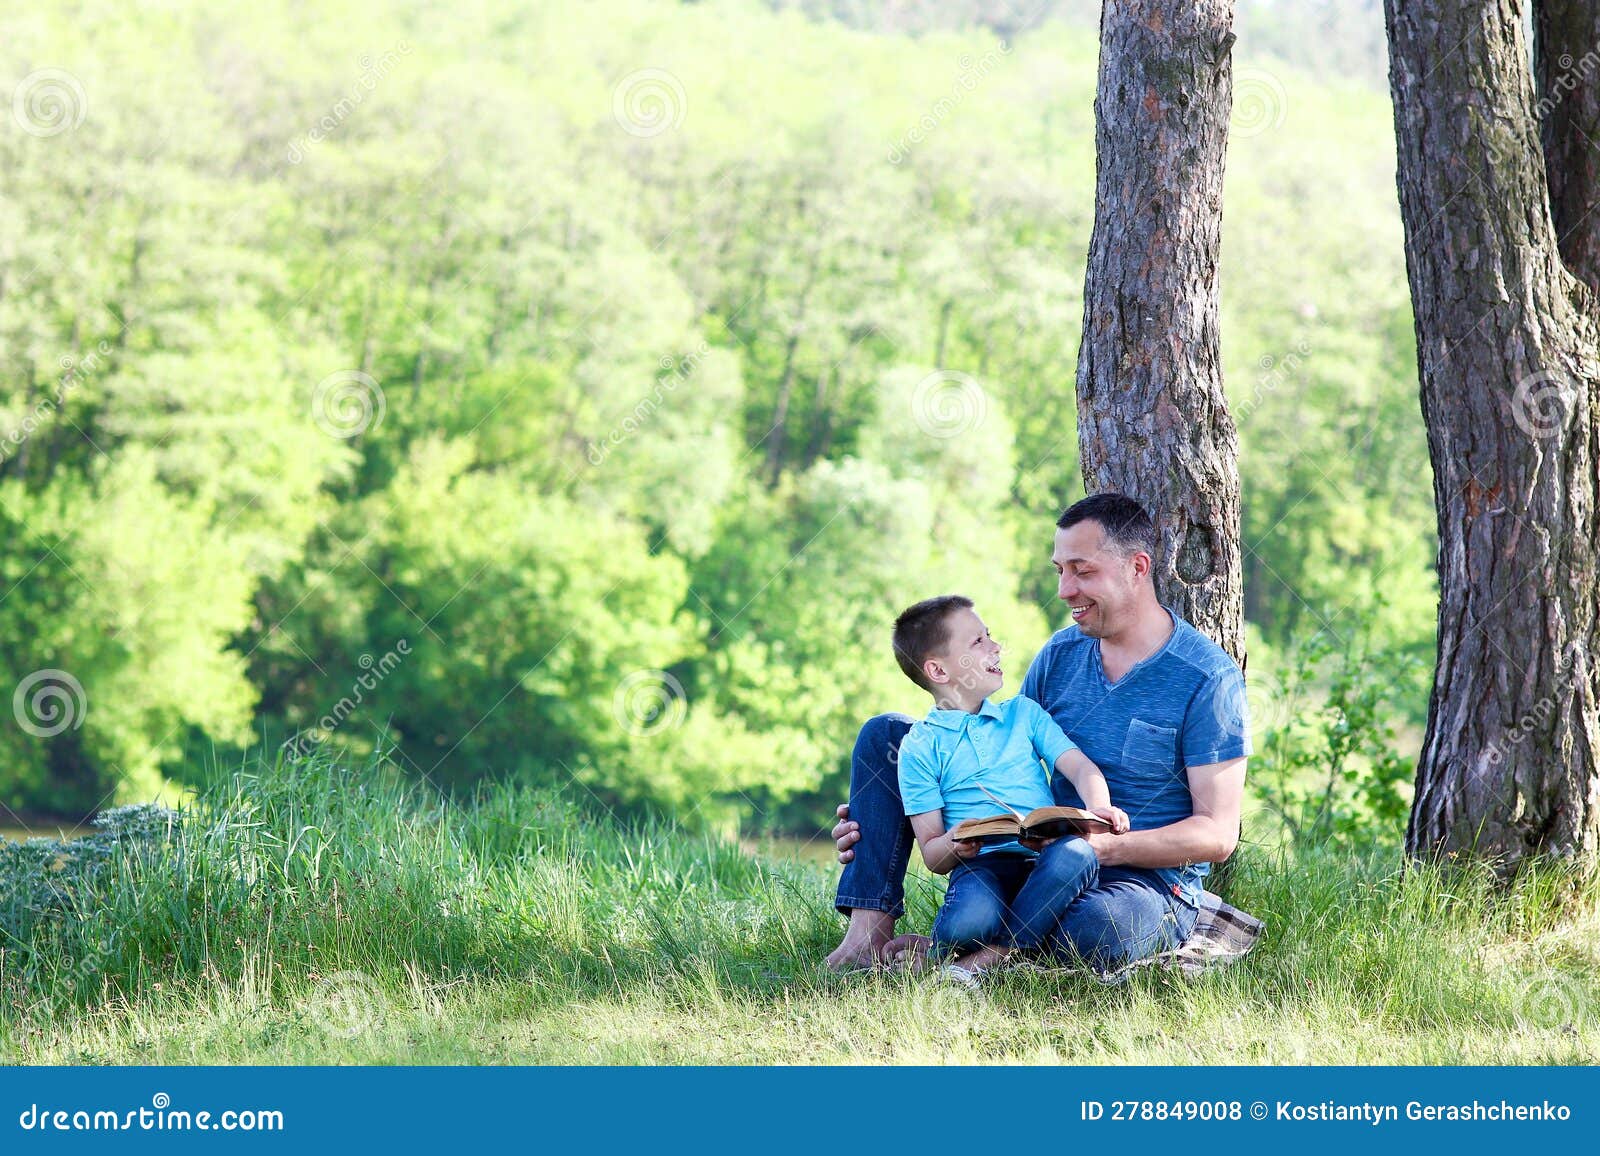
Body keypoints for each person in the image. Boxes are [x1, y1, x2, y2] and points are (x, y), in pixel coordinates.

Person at [825, 493, 1250, 974]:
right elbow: (993, 748)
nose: (1066, 589)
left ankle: (982, 952)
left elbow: (1217, 834)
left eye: (1082, 571)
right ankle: (868, 937)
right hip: (1039, 861)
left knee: (1094, 931)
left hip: (1143, 881)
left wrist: (1106, 847)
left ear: (1137, 566)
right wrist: (883, 812)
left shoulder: (1206, 678)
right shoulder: (1062, 653)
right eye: (1060, 570)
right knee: (886, 734)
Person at [888, 594, 1130, 980]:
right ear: (938, 671)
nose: (995, 646)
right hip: (982, 867)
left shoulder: (1023, 715)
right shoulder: (920, 745)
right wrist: (956, 843)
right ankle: (993, 946)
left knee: (1078, 854)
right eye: (978, 642)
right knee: (966, 923)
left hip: (1044, 860)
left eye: (990, 636)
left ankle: (987, 957)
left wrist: (1098, 808)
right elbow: (933, 856)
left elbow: (1082, 769)